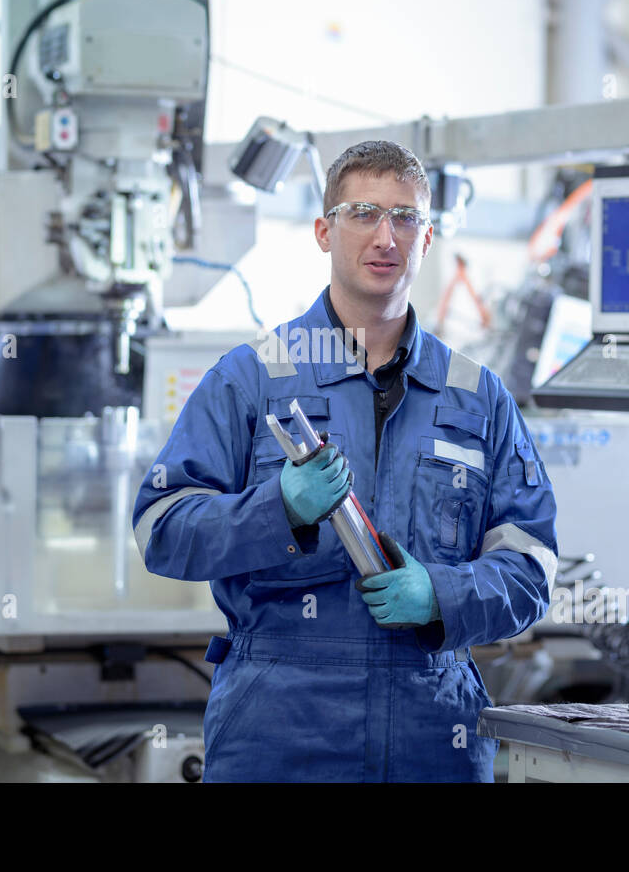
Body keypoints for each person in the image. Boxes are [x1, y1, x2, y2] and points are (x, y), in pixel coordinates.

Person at [132, 140, 558, 782]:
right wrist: (279, 510)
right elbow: (161, 528)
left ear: (428, 237)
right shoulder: (252, 379)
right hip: (280, 732)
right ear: (324, 232)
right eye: (362, 213)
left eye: (405, 217)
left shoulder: (478, 397)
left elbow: (530, 566)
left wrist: (441, 595)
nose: (386, 236)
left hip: (433, 735)